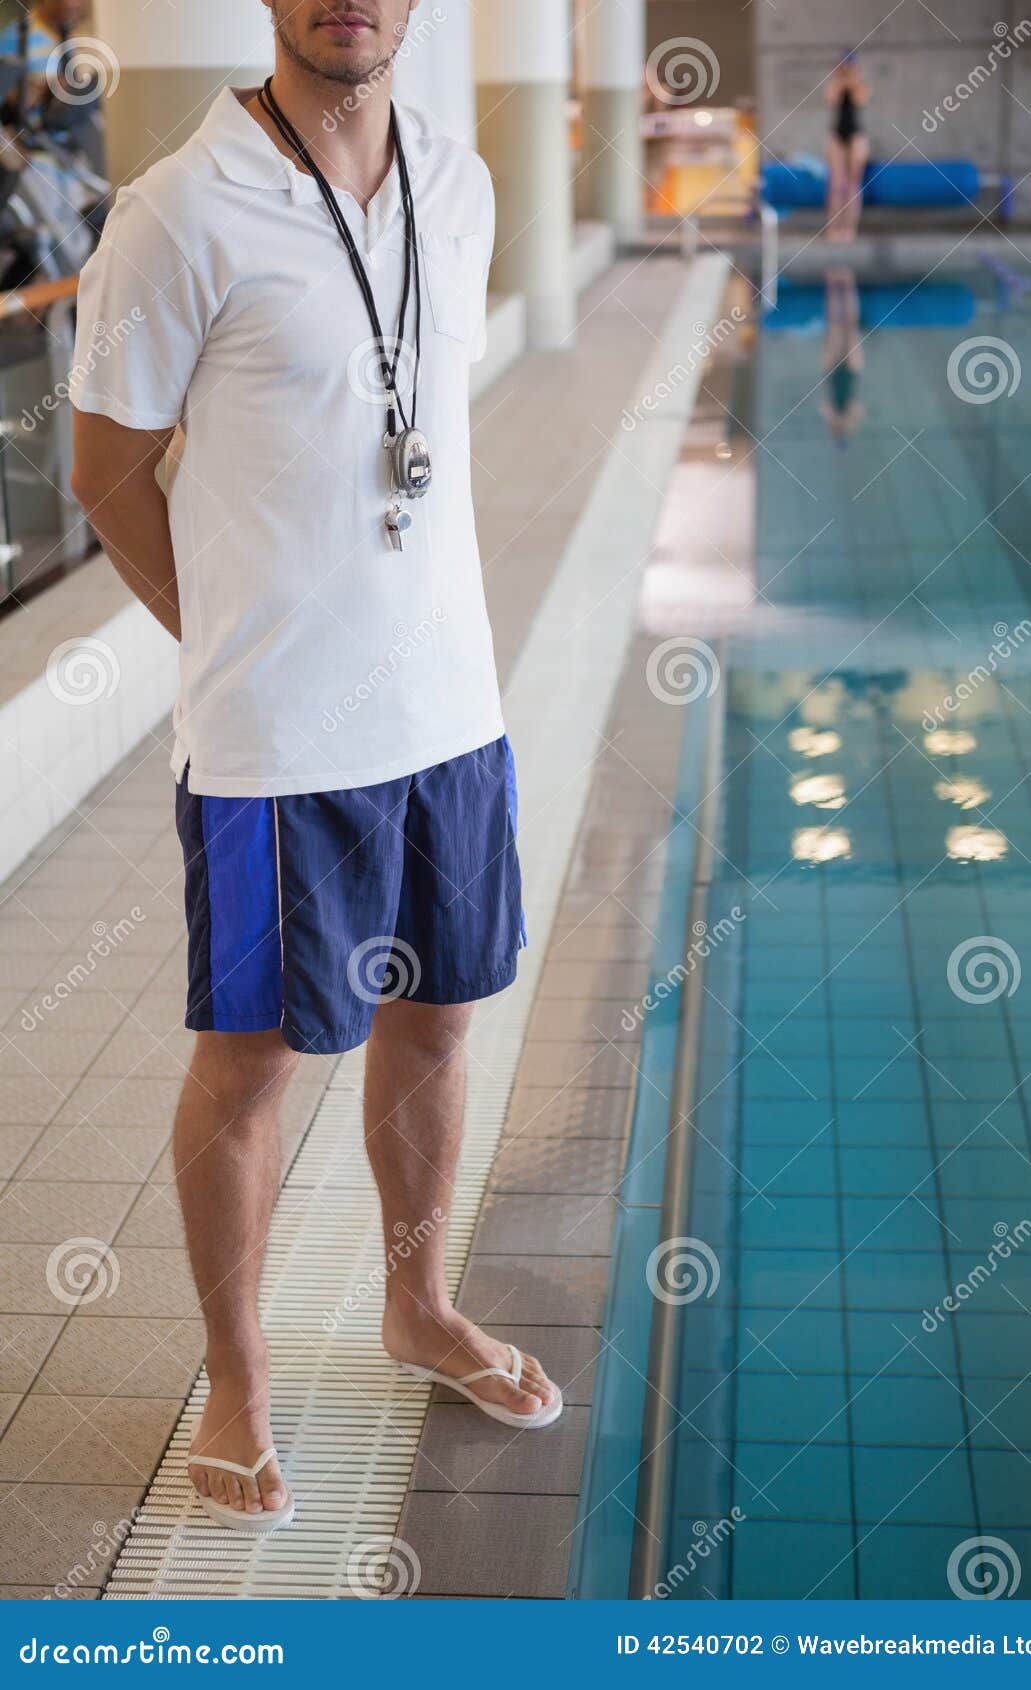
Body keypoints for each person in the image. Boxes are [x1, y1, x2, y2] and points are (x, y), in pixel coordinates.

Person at [68, 0, 561, 1535]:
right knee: (252, 1061)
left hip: (449, 715)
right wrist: (229, 639)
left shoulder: (458, 183)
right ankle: (238, 1375)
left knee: (437, 1023)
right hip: (277, 747)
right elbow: (103, 470)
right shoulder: (176, 210)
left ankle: (418, 1303)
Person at [825, 52, 869, 241]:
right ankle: (833, 228)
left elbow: (860, 98)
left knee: (853, 184)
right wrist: (839, 79)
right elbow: (831, 99)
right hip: (837, 135)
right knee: (836, 184)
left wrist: (852, 78)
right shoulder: (835, 84)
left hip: (856, 135)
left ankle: (849, 229)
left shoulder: (859, 84)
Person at [820, 267, 865, 445]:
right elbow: (857, 406)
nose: (840, 429)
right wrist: (846, 420)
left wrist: (835, 420)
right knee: (850, 325)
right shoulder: (851, 418)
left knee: (834, 325)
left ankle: (832, 283)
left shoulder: (831, 416)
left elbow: (825, 406)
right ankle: (848, 282)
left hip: (832, 371)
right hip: (851, 371)